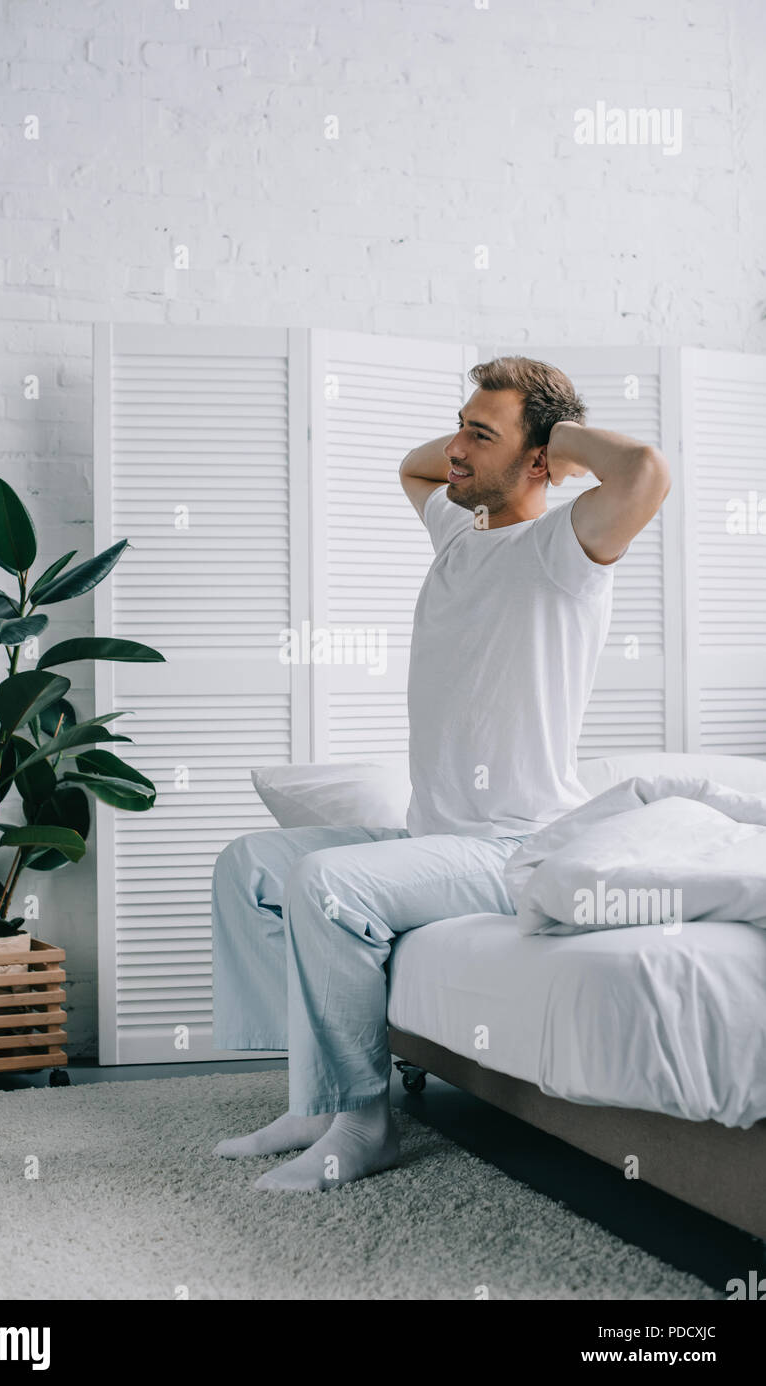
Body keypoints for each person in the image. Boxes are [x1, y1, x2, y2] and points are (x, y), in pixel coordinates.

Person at [210, 356, 671, 1192]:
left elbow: (641, 471)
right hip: (435, 839)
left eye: (478, 433)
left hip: (512, 845)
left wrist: (552, 442)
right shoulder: (461, 531)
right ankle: (313, 1100)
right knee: (250, 866)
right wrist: (491, 440)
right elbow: (416, 467)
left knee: (325, 884)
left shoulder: (563, 551)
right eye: (459, 423)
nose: (454, 448)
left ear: (539, 461)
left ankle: (364, 1119)